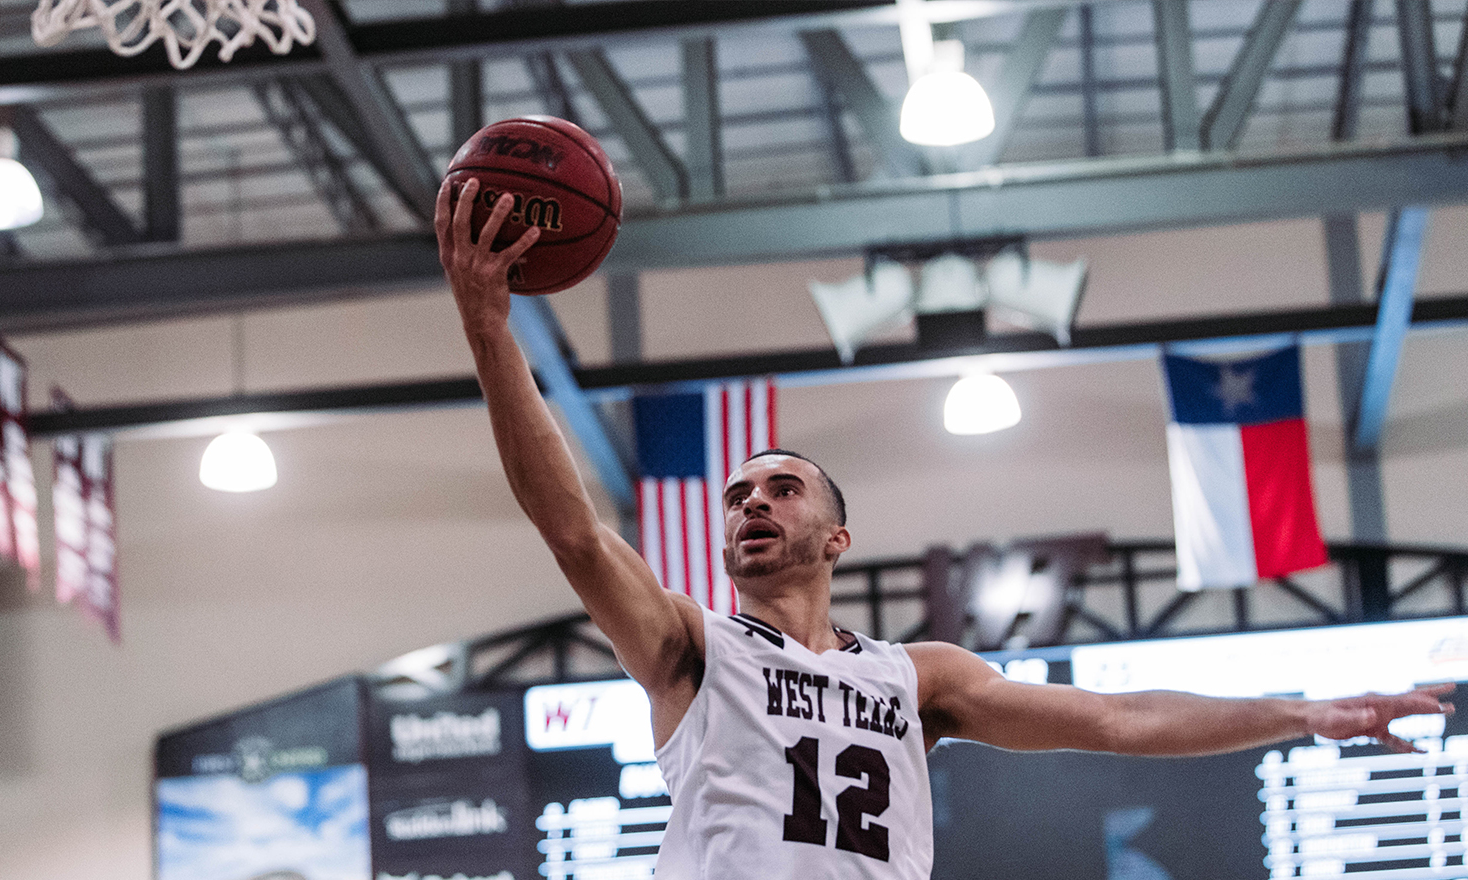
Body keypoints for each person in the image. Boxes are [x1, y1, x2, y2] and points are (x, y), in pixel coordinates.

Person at [436, 178, 1455, 880]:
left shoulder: (915, 677)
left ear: (837, 537)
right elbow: (574, 534)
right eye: (738, 495)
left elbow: (1116, 722)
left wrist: (1301, 713)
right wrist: (489, 325)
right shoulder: (693, 646)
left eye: (781, 488)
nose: (750, 502)